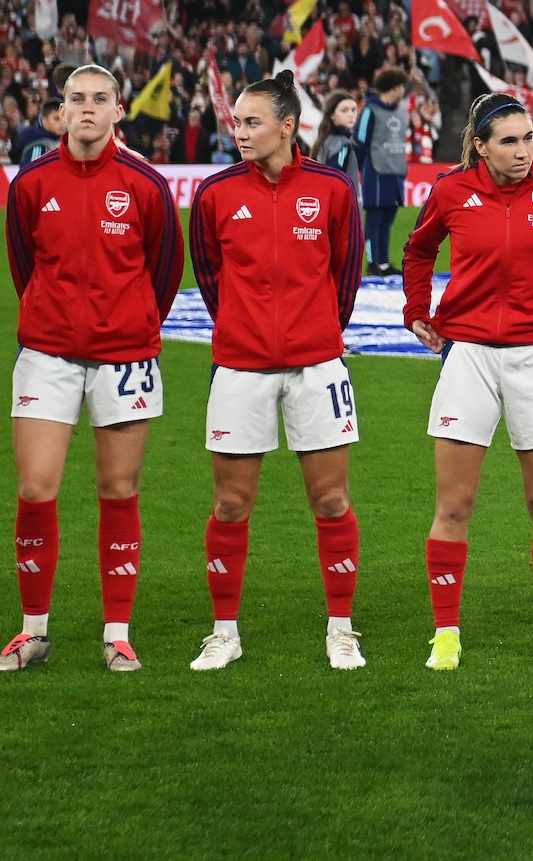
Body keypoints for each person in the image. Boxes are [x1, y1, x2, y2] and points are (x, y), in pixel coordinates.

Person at [0, 64, 180, 674]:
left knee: (118, 489)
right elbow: (24, 263)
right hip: (47, 353)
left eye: (101, 100)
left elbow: (165, 272)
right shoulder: (32, 182)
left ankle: (117, 633)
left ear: (119, 110)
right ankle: (33, 632)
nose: (89, 109)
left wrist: (127, 322)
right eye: (78, 100)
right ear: (60, 112)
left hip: (125, 356)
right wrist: (53, 319)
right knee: (35, 487)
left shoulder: (146, 184)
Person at [400, 94, 533, 672]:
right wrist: (418, 308)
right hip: (468, 358)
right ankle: (445, 634)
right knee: (455, 502)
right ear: (480, 147)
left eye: (529, 139)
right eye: (508, 141)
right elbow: (417, 250)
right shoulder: (451, 191)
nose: (522, 151)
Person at [185, 72, 368, 672]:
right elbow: (210, 277)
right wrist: (245, 329)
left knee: (332, 500)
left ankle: (341, 629)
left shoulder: (334, 189)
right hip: (239, 368)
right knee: (232, 504)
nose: (239, 132)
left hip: (318, 367)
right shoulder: (214, 195)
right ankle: (224, 632)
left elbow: (346, 278)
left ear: (287, 127)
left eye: (252, 122)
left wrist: (313, 332)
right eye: (237, 121)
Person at [356, 68, 412, 275]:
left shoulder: (401, 111)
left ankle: (384, 262)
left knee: (388, 217)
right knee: (375, 217)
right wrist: (356, 171)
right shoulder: (370, 110)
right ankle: (372, 263)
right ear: (395, 87)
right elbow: (360, 141)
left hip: (396, 171)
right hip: (376, 170)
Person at [312, 93, 361, 172]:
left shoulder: (325, 137)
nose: (351, 115)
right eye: (344, 111)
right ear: (332, 115)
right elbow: (336, 175)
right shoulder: (342, 144)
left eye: (353, 110)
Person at [13, 96, 65, 164]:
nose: (61, 123)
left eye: (63, 118)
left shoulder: (64, 142)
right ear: (44, 120)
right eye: (56, 119)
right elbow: (31, 172)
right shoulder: (38, 145)